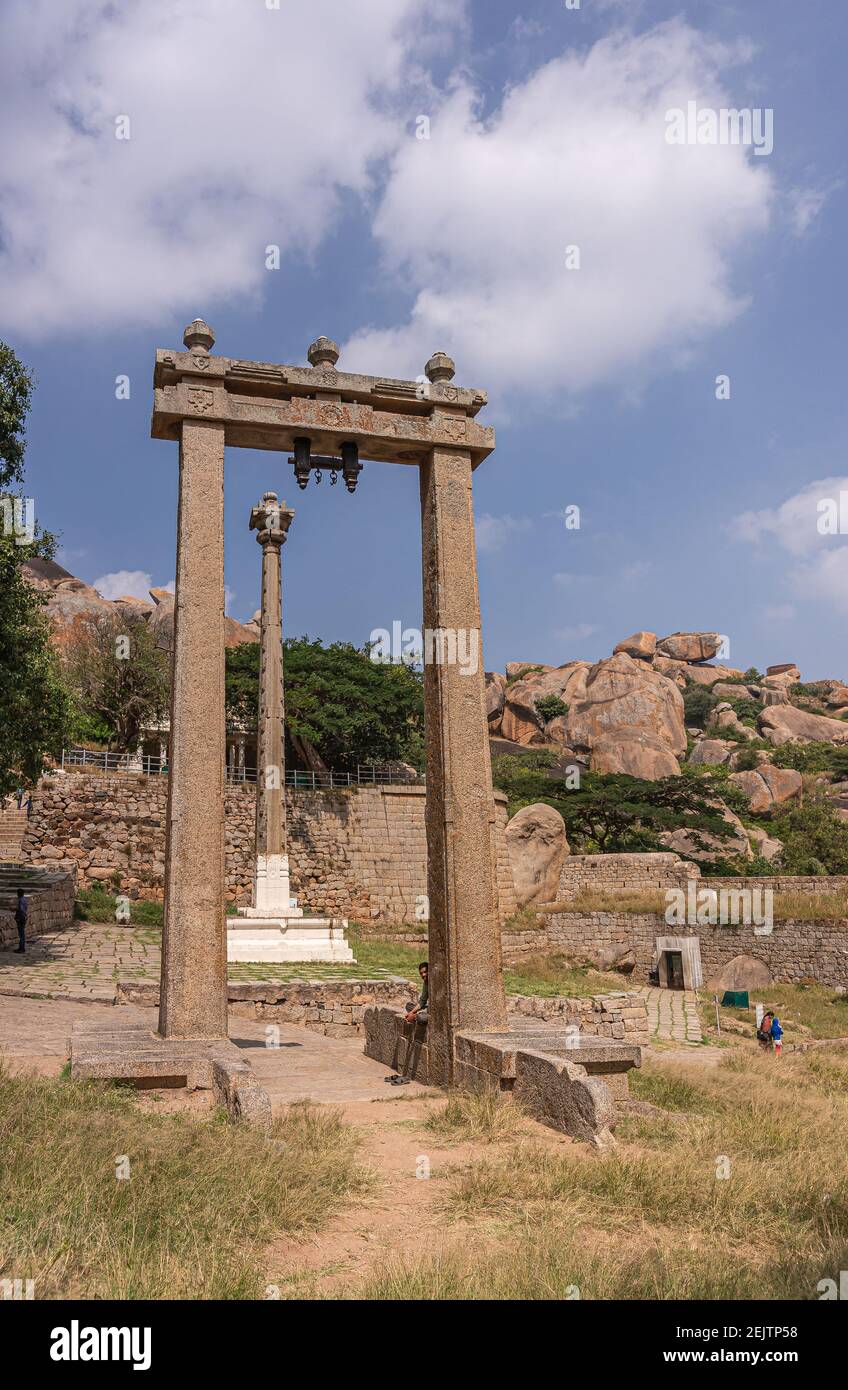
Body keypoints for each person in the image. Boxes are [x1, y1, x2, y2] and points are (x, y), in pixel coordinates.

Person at [14, 888, 29, 954]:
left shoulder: (20, 900)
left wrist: (15, 909)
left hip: (21, 917)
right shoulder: (25, 899)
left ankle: (22, 948)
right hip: (23, 917)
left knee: (21, 934)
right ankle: (21, 947)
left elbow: (21, 909)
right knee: (21, 933)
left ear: (18, 894)